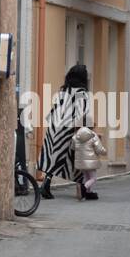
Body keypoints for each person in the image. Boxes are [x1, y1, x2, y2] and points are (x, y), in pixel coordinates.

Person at [38, 64, 90, 199]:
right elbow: (81, 114)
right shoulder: (82, 93)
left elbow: (54, 109)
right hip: (68, 128)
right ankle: (83, 188)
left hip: (55, 127)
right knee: (75, 157)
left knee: (54, 156)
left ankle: (46, 184)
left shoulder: (63, 91)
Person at [71, 121, 107, 200]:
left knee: (86, 177)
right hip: (90, 162)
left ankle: (87, 193)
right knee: (93, 178)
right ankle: (83, 188)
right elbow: (99, 149)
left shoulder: (76, 135)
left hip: (80, 161)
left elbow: (73, 147)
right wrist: (105, 152)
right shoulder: (93, 135)